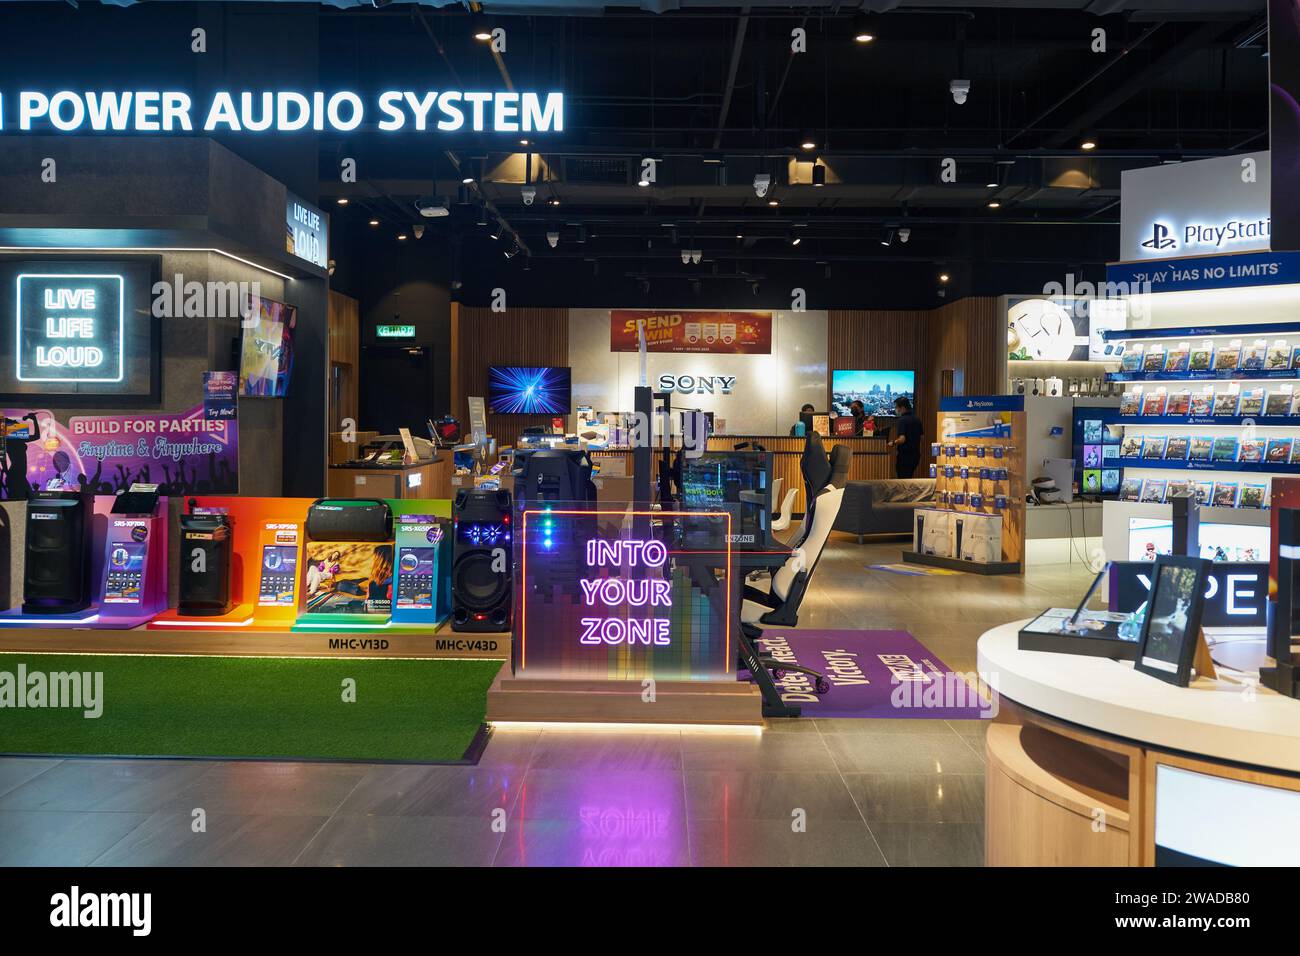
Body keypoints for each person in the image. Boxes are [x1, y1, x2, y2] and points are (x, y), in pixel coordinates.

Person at [891, 396, 923, 478]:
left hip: (905, 456)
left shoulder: (902, 420)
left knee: (902, 481)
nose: (896, 409)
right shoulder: (917, 419)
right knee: (909, 478)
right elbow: (921, 437)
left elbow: (902, 439)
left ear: (902, 408)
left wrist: (893, 442)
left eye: (896, 407)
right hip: (915, 455)